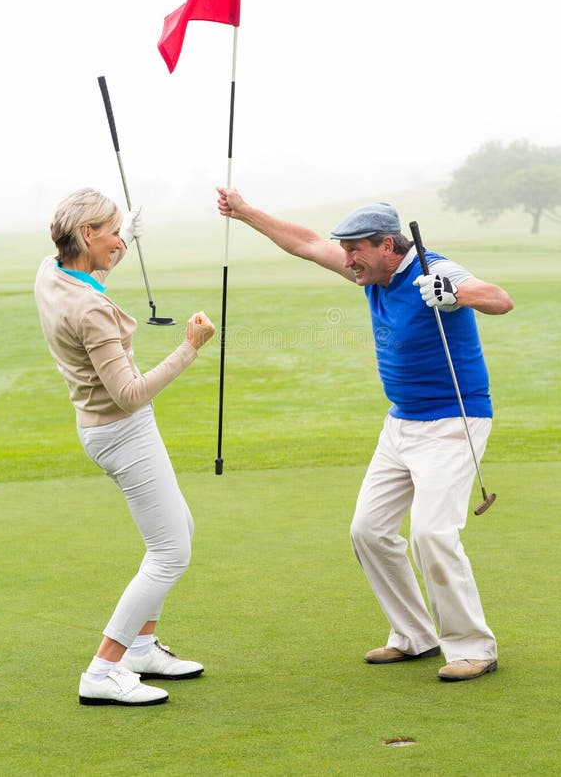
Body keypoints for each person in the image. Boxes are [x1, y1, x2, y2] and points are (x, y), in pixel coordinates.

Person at [216, 187, 513, 682]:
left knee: (432, 533)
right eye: (347, 249)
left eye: (356, 249)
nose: (347, 259)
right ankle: (414, 635)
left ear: (388, 247)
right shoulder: (370, 272)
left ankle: (474, 648)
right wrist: (244, 212)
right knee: (368, 531)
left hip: (452, 423)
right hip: (400, 423)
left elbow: (500, 299)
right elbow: (305, 243)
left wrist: (454, 294)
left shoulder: (436, 269)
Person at [35, 188, 215, 706]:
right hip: (123, 429)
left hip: (104, 428)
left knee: (180, 527)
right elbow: (130, 394)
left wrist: (124, 238)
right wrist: (189, 348)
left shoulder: (51, 269)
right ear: (87, 233)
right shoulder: (91, 311)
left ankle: (140, 646)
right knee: (170, 552)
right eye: (111, 231)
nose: (118, 240)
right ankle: (102, 670)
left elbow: (93, 269)